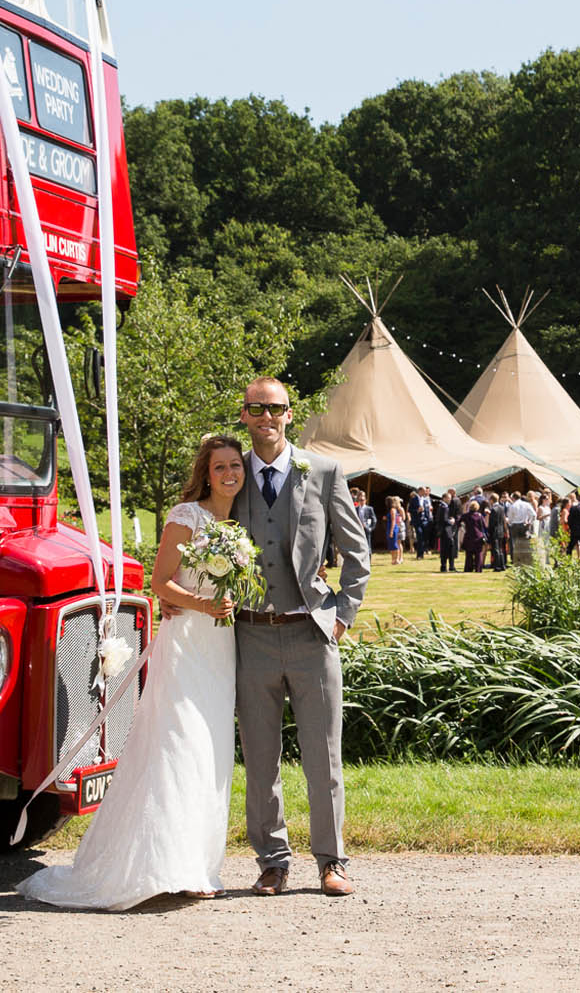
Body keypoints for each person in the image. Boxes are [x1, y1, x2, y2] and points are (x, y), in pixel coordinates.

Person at [20, 434, 245, 908]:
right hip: (187, 645)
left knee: (212, 749)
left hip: (221, 647)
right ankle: (166, 866)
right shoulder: (186, 516)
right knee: (179, 745)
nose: (229, 474)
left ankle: (198, 862)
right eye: (220, 466)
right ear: (206, 473)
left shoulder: (238, 523)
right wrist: (203, 604)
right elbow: (161, 583)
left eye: (235, 465)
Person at [230, 376, 369, 898]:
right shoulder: (230, 473)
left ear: (290, 414)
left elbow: (357, 552)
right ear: (243, 415)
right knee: (260, 759)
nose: (266, 416)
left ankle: (332, 861)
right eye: (256, 408)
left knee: (323, 757)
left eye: (276, 408)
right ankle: (272, 862)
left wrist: (343, 615)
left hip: (312, 634)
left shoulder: (324, 471)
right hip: (250, 635)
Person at [505, 491, 533, 569]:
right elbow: (533, 514)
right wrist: (529, 522)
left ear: (513, 498)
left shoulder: (512, 506)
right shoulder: (526, 504)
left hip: (515, 525)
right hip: (524, 524)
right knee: (524, 544)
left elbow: (510, 518)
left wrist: (510, 523)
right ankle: (525, 560)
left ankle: (517, 561)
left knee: (515, 544)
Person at [438, 489, 461, 572]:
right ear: (444, 498)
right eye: (448, 498)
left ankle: (450, 566)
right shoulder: (443, 507)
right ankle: (445, 566)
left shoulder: (444, 506)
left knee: (449, 548)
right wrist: (451, 521)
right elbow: (443, 520)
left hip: (446, 530)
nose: (450, 500)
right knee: (446, 548)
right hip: (445, 531)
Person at [383, 494, 406, 567]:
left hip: (393, 528)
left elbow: (393, 521)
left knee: (395, 544)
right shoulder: (391, 510)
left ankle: (396, 559)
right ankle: (393, 559)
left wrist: (391, 531)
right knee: (391, 544)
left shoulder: (393, 510)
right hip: (390, 527)